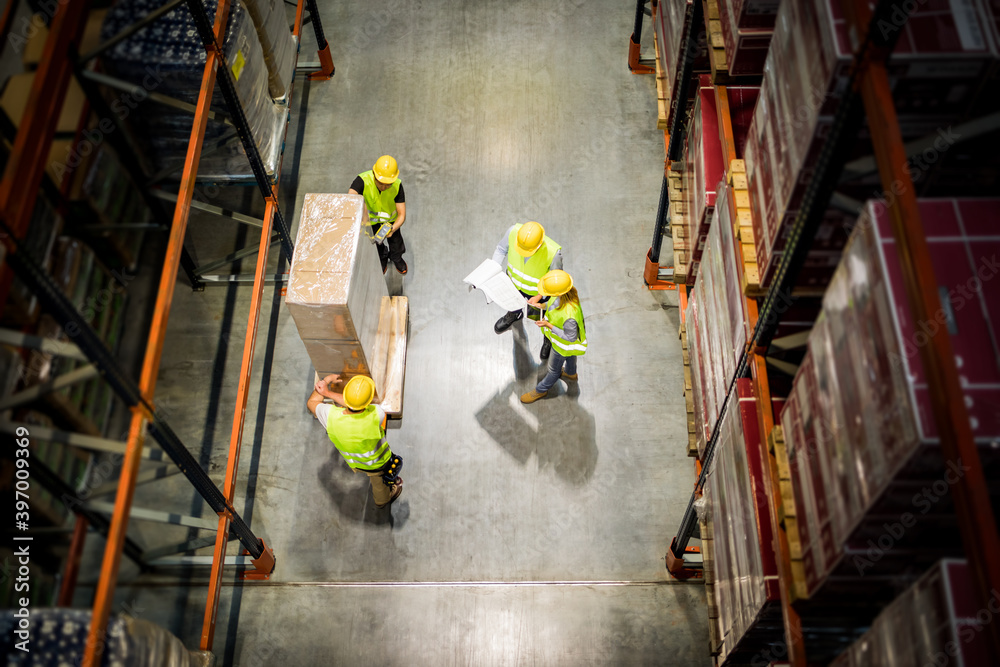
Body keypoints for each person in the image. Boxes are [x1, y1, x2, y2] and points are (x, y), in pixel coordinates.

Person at [307, 373, 403, 507]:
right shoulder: (376, 414)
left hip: (354, 463)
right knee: (379, 484)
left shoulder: (330, 417)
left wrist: (326, 386)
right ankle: (383, 500)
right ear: (368, 402)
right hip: (377, 463)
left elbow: (312, 402)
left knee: (372, 476)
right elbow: (358, 407)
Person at [491, 221, 563, 360]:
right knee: (513, 305)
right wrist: (493, 269)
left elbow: (556, 280)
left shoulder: (553, 253)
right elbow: (501, 249)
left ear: (539, 244)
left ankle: (548, 338)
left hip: (538, 296)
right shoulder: (513, 232)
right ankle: (514, 315)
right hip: (513, 286)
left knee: (544, 318)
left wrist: (538, 296)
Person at [520, 270, 587, 404]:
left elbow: (570, 337)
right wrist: (542, 306)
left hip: (561, 345)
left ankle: (541, 390)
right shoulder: (565, 294)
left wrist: (548, 325)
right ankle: (570, 373)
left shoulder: (569, 315)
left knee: (553, 370)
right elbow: (552, 305)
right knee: (571, 355)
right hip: (568, 348)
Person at [349, 155, 408, 275]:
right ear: (374, 174)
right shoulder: (362, 180)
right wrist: (360, 206)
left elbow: (401, 214)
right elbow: (351, 196)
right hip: (371, 223)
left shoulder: (397, 185)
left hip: (390, 223)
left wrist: (393, 228)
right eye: (381, 183)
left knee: (397, 245)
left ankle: (397, 258)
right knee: (376, 245)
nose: (385, 187)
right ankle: (383, 257)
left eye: (388, 184)